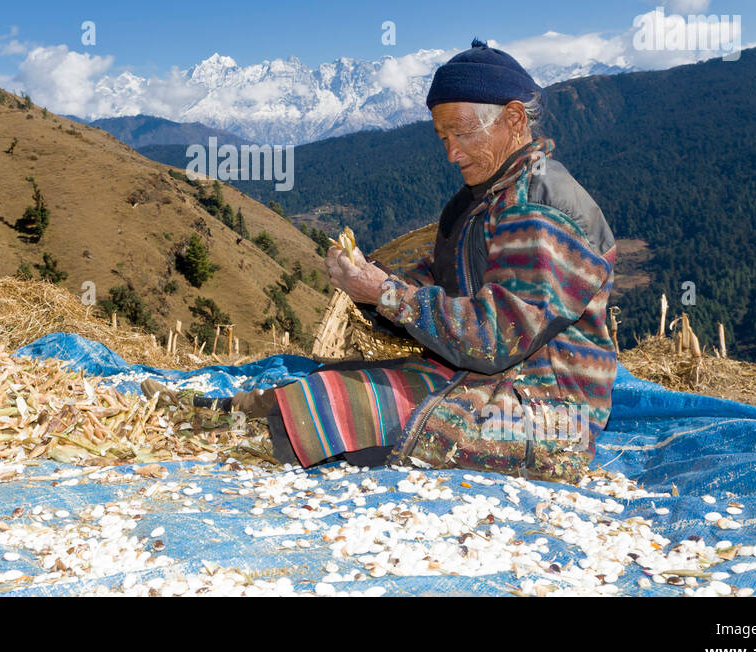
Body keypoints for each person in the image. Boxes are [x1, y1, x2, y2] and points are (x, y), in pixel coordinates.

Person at [152, 39, 619, 482]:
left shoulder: (541, 205)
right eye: (442, 137)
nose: (452, 152)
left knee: (337, 407)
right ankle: (216, 416)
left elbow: (498, 337)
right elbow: (439, 287)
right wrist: (369, 282)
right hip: (484, 379)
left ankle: (216, 433)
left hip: (546, 412)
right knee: (327, 382)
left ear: (514, 119)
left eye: (462, 132)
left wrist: (387, 293)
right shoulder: (476, 202)